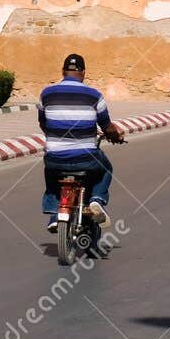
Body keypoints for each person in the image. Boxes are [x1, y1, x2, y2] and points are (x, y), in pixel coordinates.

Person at [38, 52, 124, 233]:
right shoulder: (94, 95)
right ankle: (96, 200)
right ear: (83, 73)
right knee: (106, 168)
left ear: (63, 71)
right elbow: (107, 126)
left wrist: (56, 136)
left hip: (55, 157)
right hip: (86, 157)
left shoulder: (46, 94)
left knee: (51, 169)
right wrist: (116, 137)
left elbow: (43, 123)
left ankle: (54, 210)